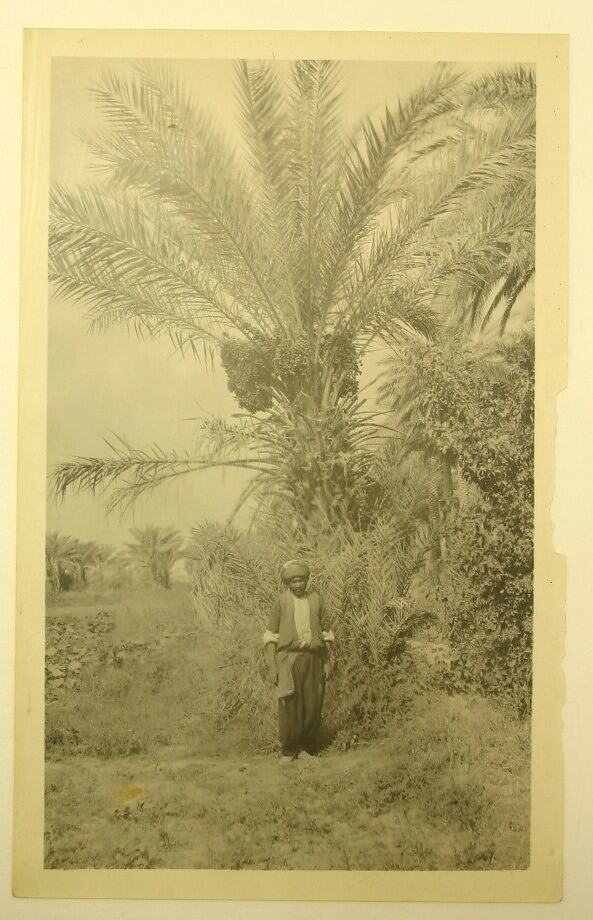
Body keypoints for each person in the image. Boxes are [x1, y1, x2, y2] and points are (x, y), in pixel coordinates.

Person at [262, 560, 335, 764]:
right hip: (289, 660)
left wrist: (327, 662)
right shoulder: (281, 602)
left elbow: (327, 633)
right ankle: (289, 750)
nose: (297, 584)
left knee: (312, 704)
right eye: (293, 580)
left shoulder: (316, 600)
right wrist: (272, 667)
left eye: (301, 579)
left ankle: (304, 748)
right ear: (287, 583)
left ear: (306, 579)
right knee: (290, 704)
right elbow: (270, 636)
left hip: (314, 658)